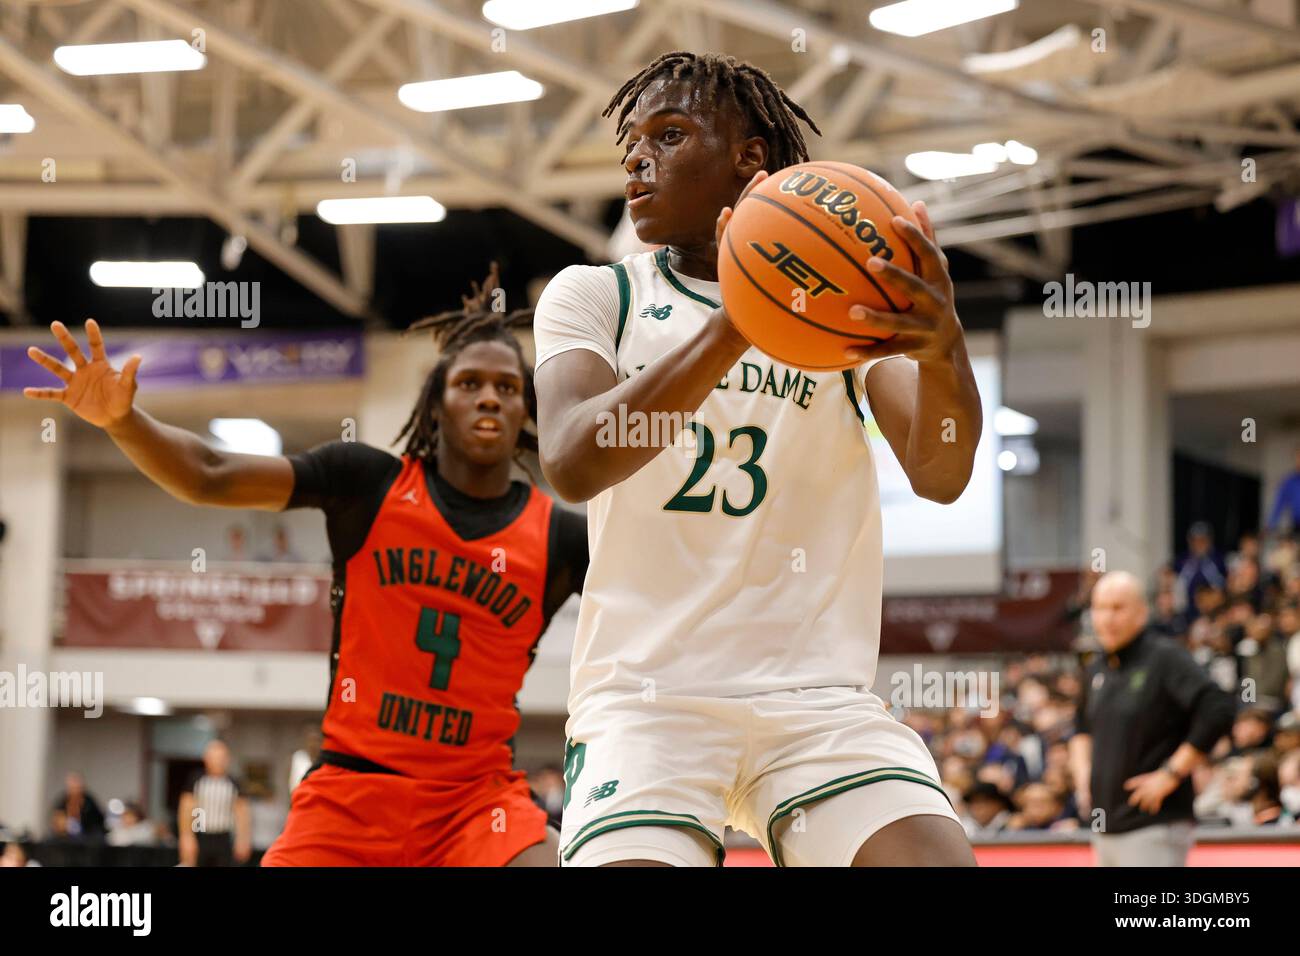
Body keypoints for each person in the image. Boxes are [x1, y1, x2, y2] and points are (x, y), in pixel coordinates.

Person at [533, 51, 981, 867]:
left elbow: (942, 474)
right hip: (647, 701)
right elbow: (570, 462)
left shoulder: (847, 320)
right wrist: (740, 317)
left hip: (816, 702)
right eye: (631, 143)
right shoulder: (596, 295)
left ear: (751, 159)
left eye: (669, 135)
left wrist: (945, 345)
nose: (638, 158)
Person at [23, 269, 587, 867]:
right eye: (469, 382)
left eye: (507, 386)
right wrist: (124, 422)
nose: (489, 397)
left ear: (527, 405)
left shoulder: (561, 535)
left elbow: (654, 609)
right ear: (435, 400)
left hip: (477, 806)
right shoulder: (366, 483)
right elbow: (209, 472)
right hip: (351, 796)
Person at [1068, 571, 1236, 867]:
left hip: (1154, 825)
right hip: (1105, 827)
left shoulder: (1164, 657)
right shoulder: (1095, 669)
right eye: (1100, 608)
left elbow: (1218, 707)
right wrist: (1083, 775)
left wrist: (1171, 772)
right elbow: (1081, 727)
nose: (1108, 618)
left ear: (1142, 612)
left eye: (1118, 608)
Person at [178, 740, 250, 867]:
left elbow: (241, 812)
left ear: (228, 759)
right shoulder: (196, 780)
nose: (218, 761)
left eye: (222, 758)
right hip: (201, 834)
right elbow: (186, 810)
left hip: (224, 837)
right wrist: (186, 837)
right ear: (206, 758)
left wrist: (243, 839)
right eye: (214, 757)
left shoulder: (234, 783)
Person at [49, 772, 105, 840]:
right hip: (66, 838)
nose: (75, 790)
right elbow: (56, 820)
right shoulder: (62, 801)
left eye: (77, 787)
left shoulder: (89, 802)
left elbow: (99, 822)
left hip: (87, 837)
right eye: (72, 787)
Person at [1267, 447, 1300, 533]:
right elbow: (1279, 504)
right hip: (1296, 524)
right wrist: (1271, 524)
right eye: (1298, 457)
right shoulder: (1289, 482)